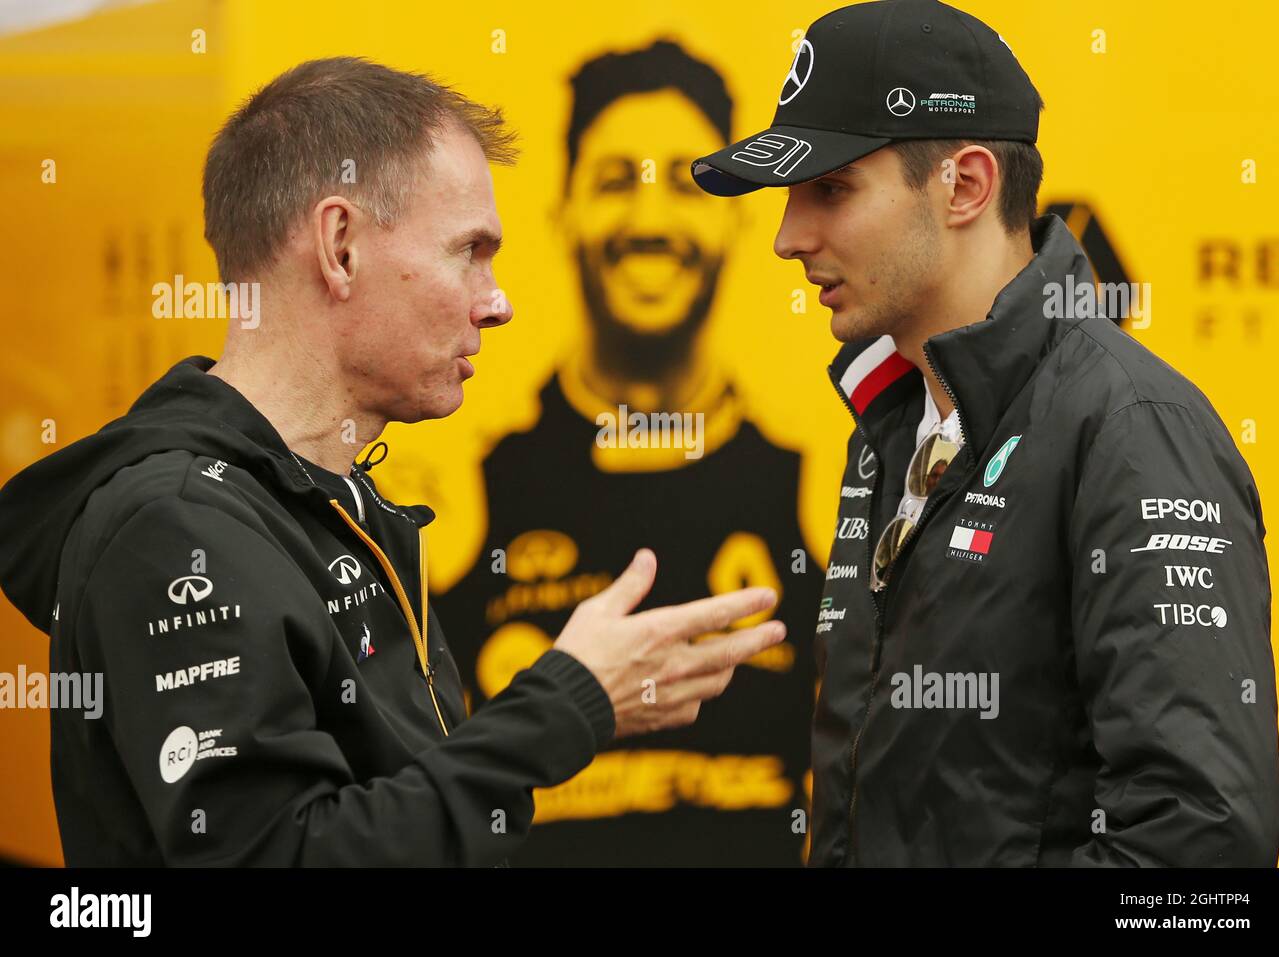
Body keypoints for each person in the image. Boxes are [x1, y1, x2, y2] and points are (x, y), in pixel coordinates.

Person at [0, 56, 785, 866]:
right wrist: (567, 704)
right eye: (469, 250)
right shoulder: (174, 527)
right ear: (339, 246)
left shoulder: (334, 504)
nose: (497, 299)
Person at [692, 0, 1279, 866]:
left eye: (831, 190)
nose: (787, 237)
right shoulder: (895, 421)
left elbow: (1199, 850)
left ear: (965, 185)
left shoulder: (1131, 428)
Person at [435, 40, 820, 866]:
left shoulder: (820, 481)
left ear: (736, 216)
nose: (650, 221)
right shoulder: (463, 484)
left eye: (687, 183)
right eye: (616, 181)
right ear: (562, 211)